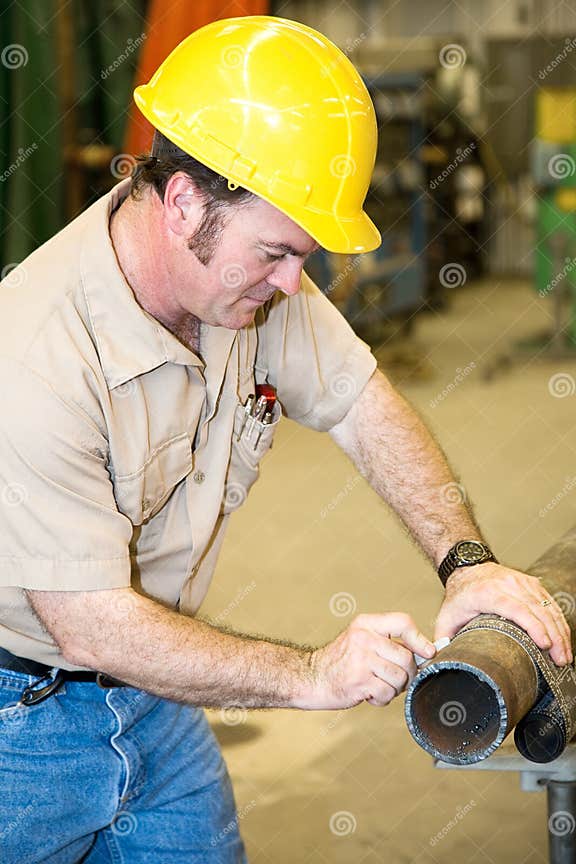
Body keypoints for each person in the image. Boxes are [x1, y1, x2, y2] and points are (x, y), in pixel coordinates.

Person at [0, 15, 571, 864]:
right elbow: (91, 626)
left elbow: (362, 406)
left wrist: (466, 562)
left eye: (301, 255)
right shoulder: (35, 354)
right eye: (275, 252)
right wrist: (310, 676)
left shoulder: (252, 285)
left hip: (158, 700)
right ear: (184, 201)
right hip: (24, 727)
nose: (293, 283)